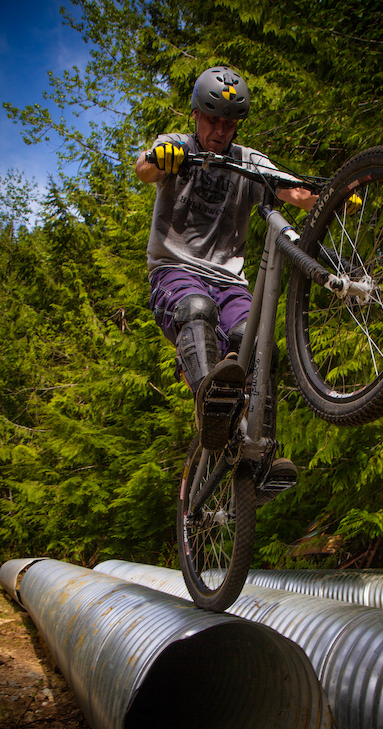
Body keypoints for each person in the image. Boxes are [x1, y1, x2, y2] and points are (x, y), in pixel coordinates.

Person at [135, 66, 317, 503]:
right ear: (195, 115)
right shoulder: (176, 145)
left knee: (254, 344)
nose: (219, 130)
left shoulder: (249, 161)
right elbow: (144, 166)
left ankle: (260, 453)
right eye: (212, 119)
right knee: (196, 310)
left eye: (229, 122)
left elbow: (291, 191)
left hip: (229, 281)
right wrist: (160, 159)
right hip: (174, 271)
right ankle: (211, 412)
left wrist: (326, 199)